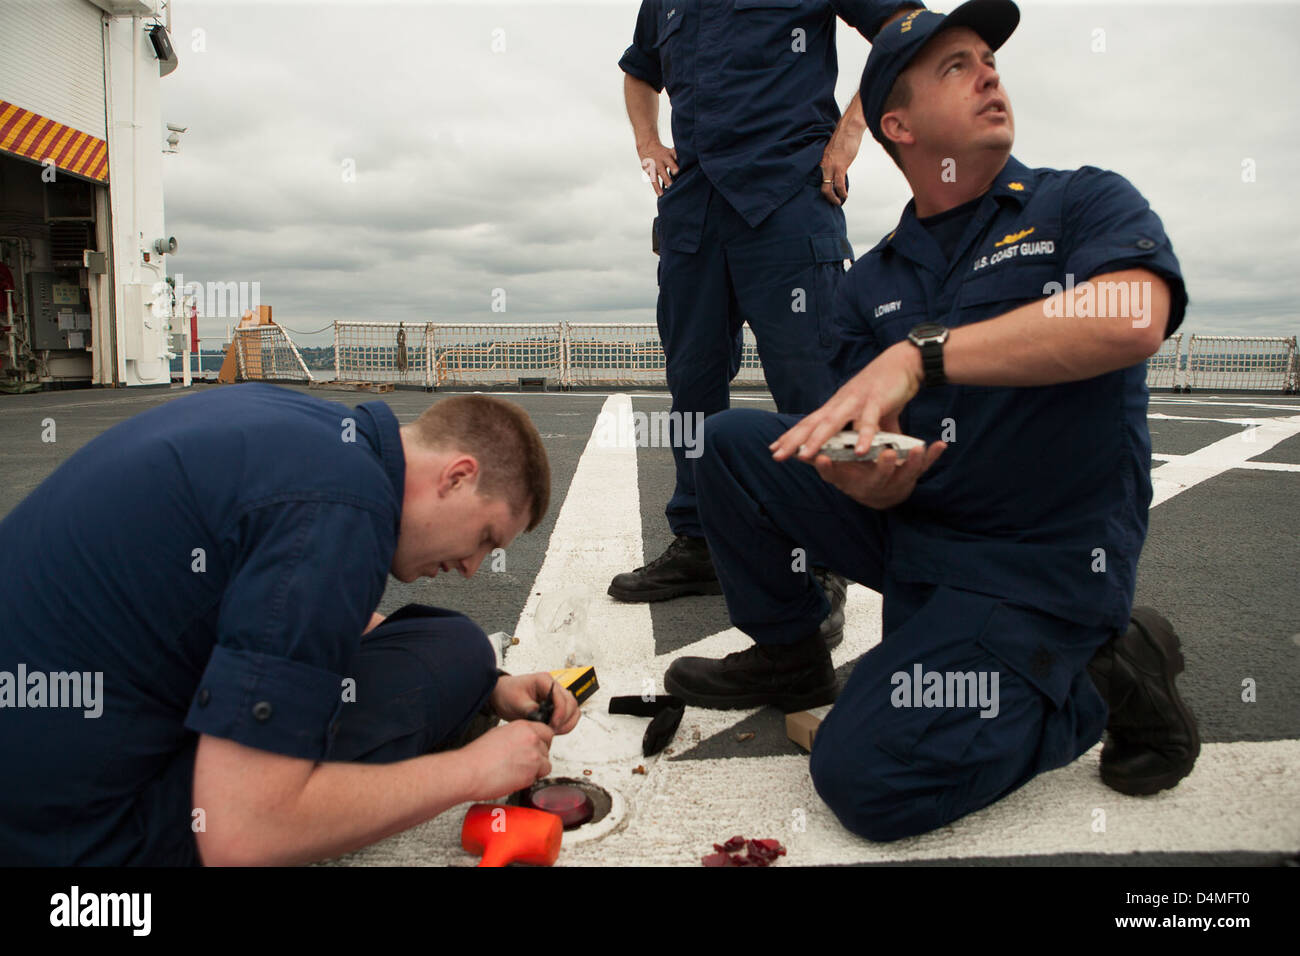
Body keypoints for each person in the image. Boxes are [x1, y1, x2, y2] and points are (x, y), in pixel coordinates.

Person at [663, 0, 1199, 840]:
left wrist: (923, 355)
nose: (989, 72)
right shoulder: (870, 275)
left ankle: (1106, 668)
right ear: (898, 125)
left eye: (988, 58)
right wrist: (864, 474)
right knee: (734, 443)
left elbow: (1135, 314)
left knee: (864, 776)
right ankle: (791, 648)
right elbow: (845, 438)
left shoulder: (1078, 204)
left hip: (1035, 564)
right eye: (956, 65)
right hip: (918, 531)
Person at [0, 383, 579, 865]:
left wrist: (492, 687)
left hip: (46, 754)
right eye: (485, 538)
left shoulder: (319, 437)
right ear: (456, 476)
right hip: (80, 835)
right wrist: (473, 772)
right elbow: (241, 835)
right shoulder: (341, 518)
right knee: (448, 661)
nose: (474, 569)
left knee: (462, 650)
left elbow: (279, 607)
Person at [610, 0, 927, 645]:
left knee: (814, 384)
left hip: (787, 196)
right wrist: (648, 144)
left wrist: (850, 134)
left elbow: (907, 26)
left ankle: (827, 553)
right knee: (691, 383)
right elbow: (639, 70)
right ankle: (698, 539)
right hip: (694, 208)